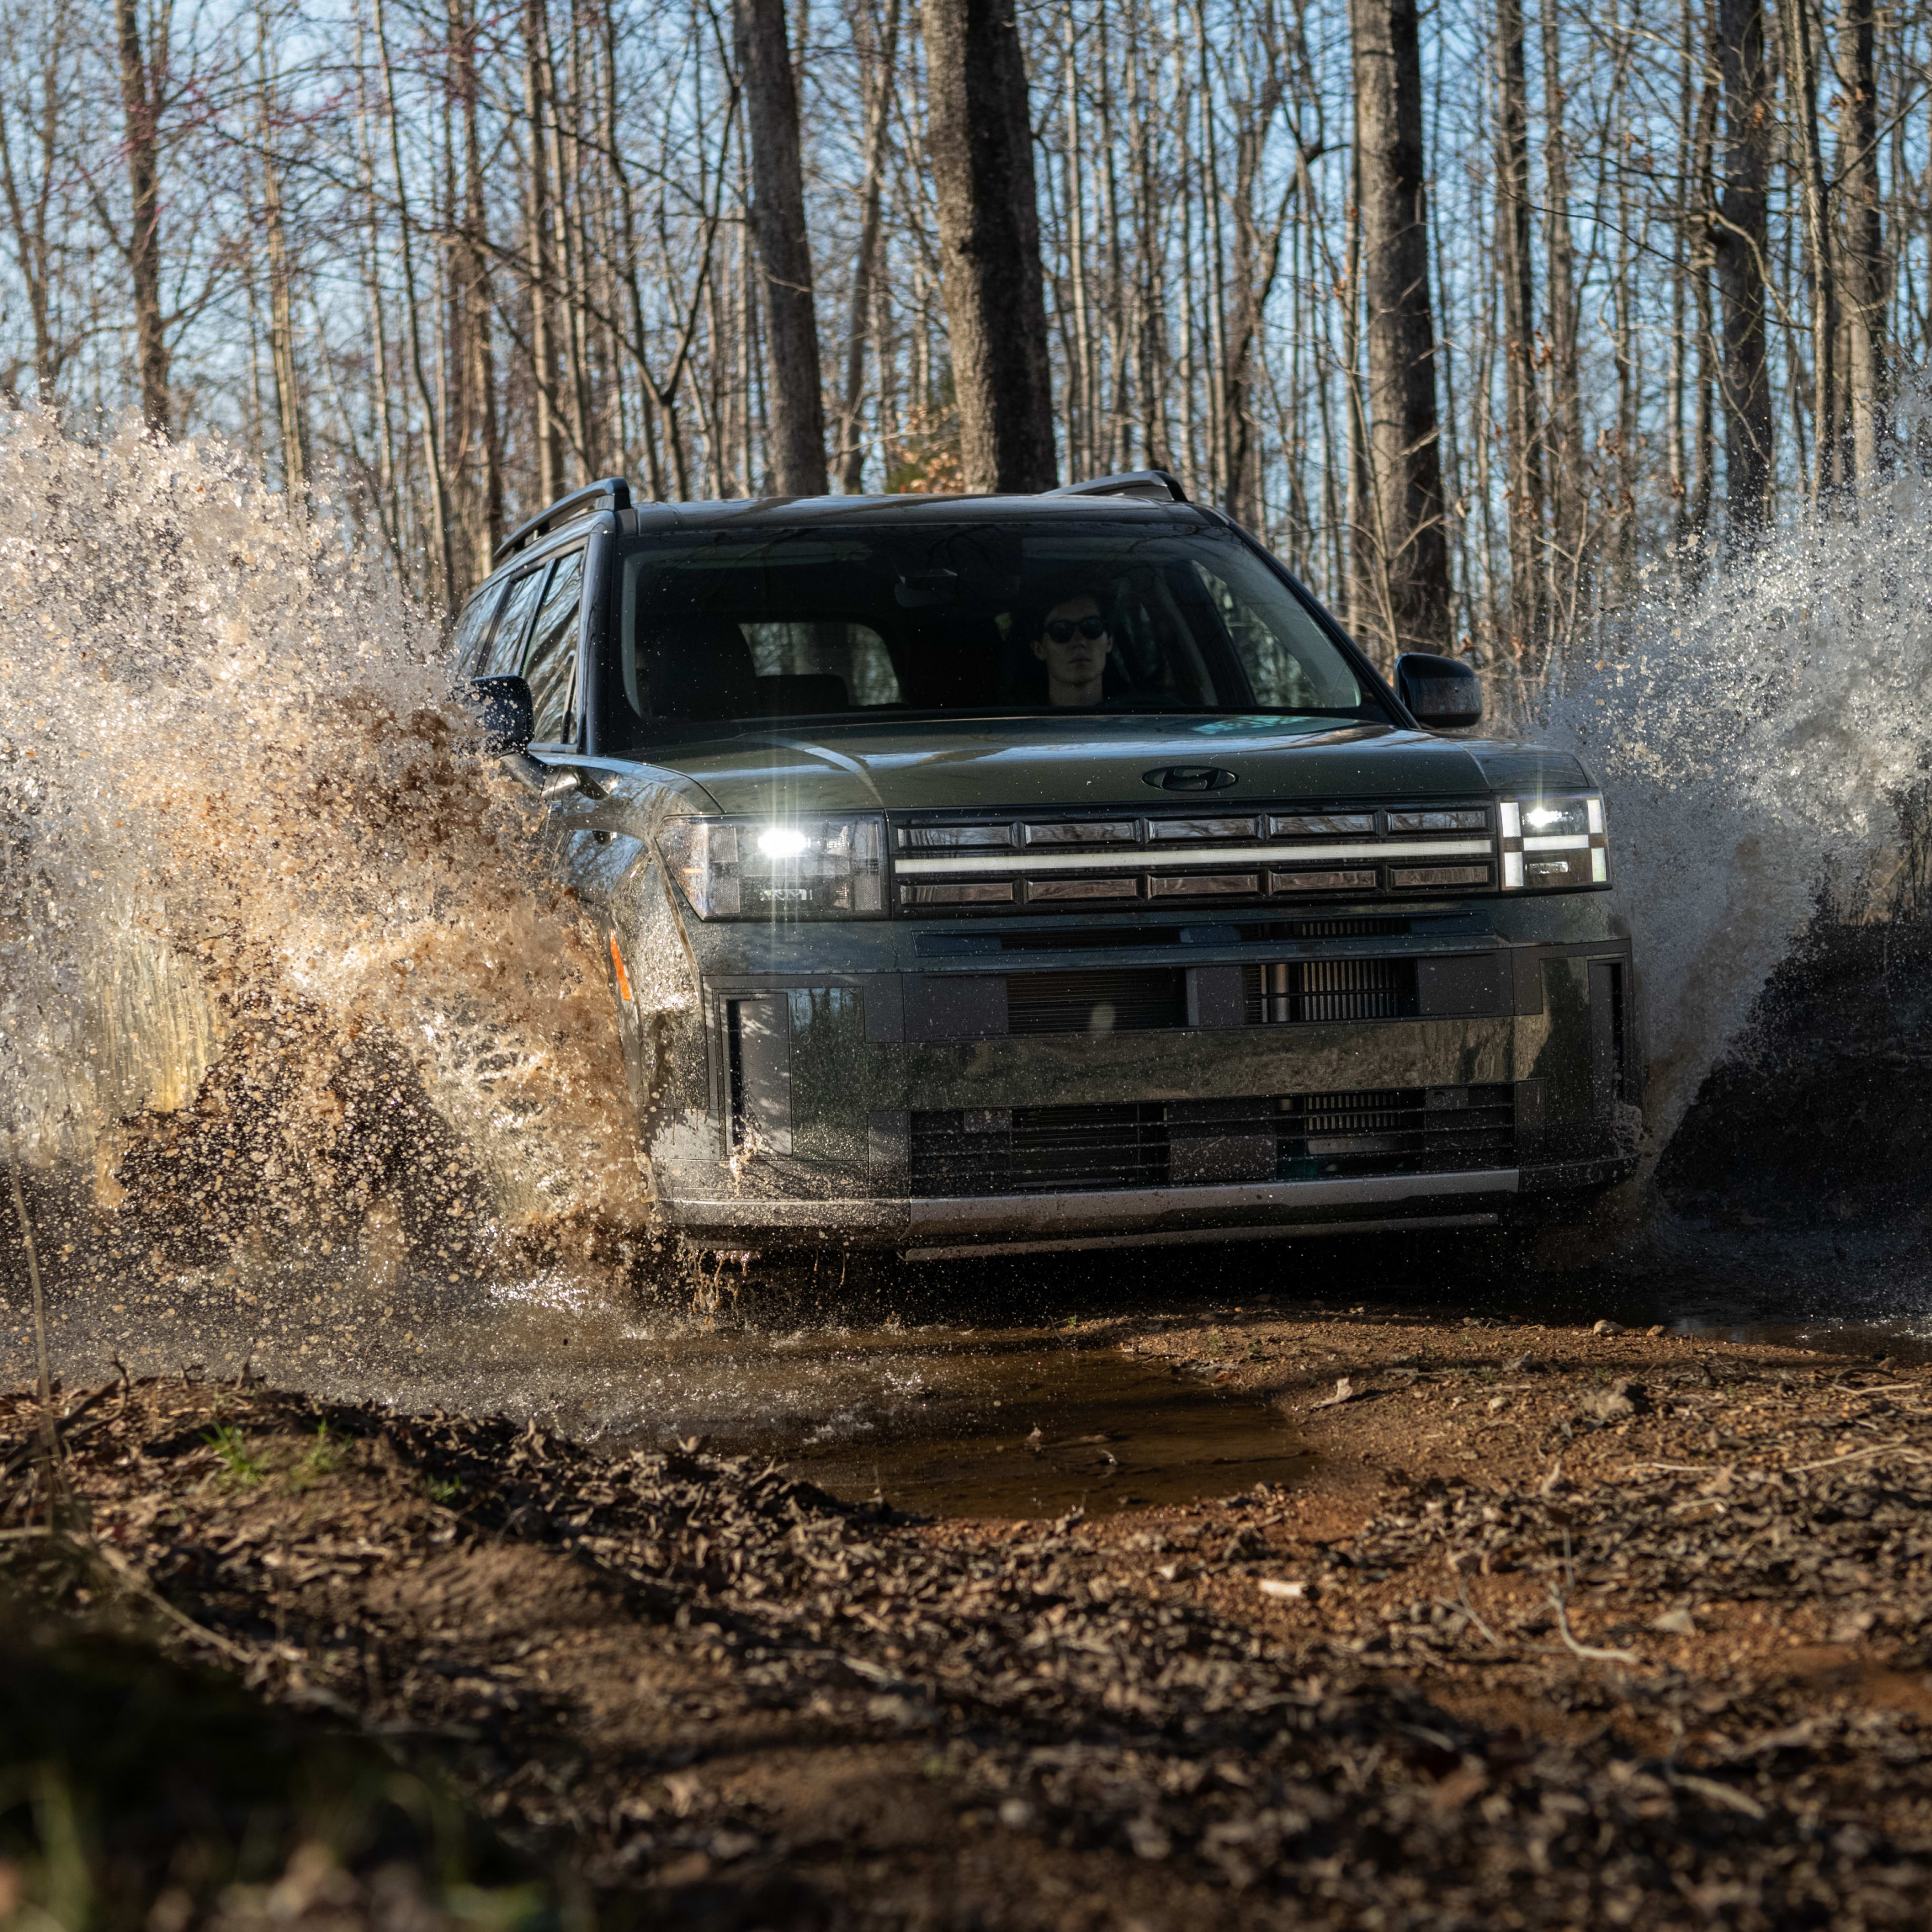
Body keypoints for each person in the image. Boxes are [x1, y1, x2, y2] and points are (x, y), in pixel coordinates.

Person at [1029, 589, 1113, 707]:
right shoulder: (1016, 721)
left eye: (1091, 627)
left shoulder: (1139, 710)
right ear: (1039, 650)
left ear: (1109, 642)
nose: (1079, 641)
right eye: (1060, 631)